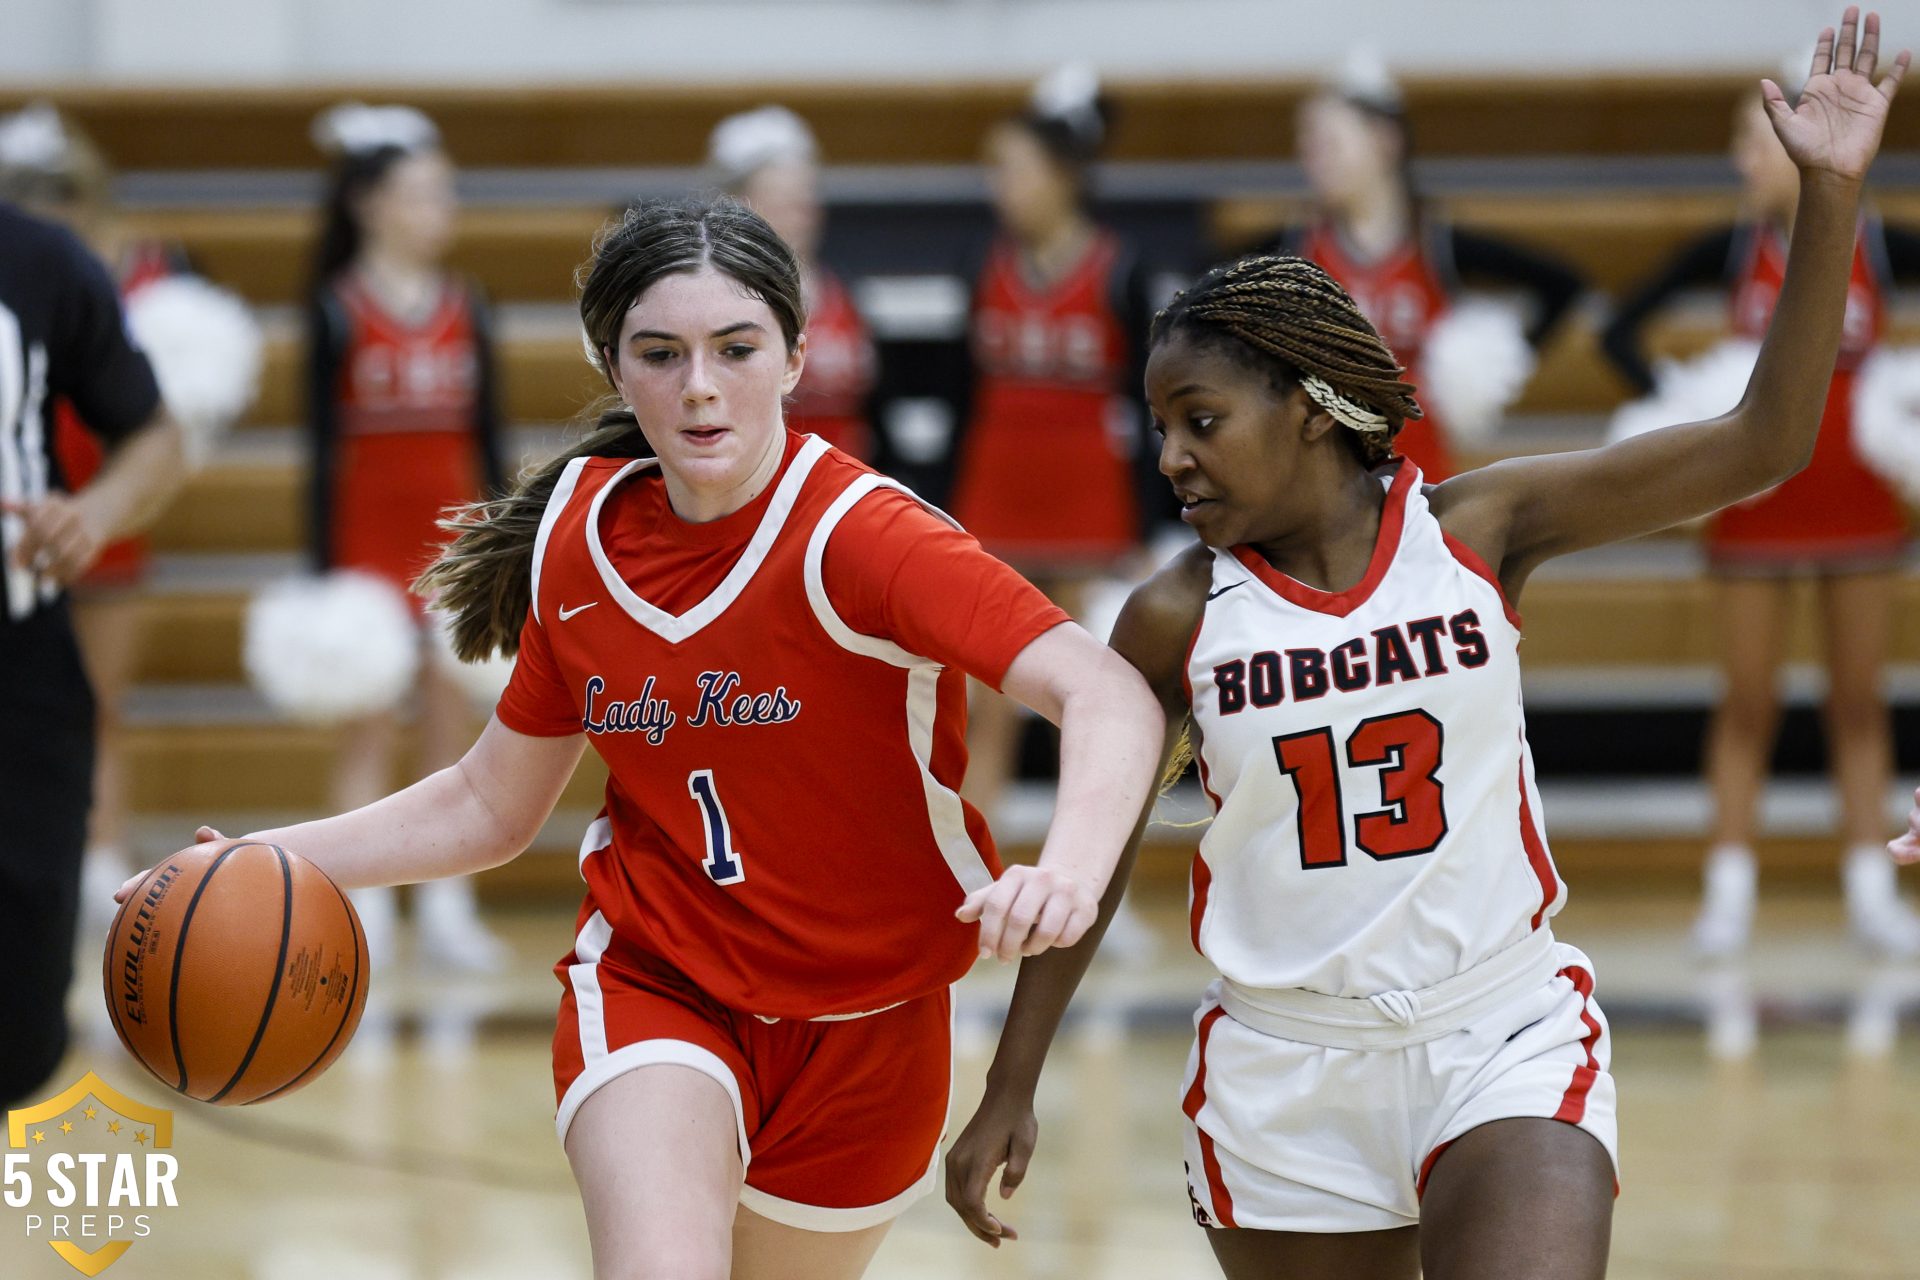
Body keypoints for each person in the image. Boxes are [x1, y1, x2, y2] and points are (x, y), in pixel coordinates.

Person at [947, 13, 1904, 1278]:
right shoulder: (1178, 612)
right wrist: (1009, 1079)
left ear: (1308, 406)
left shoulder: (1482, 527)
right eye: (1159, 424)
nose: (1169, 456)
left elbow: (1760, 444)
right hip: (1284, 1067)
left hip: (1500, 1028)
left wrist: (1831, 195)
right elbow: (1097, 856)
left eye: (1202, 419)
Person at [122, 195, 1161, 1279]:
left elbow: (1110, 695)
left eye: (736, 348)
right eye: (660, 353)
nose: (699, 385)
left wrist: (1070, 873)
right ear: (613, 367)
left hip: (873, 1019)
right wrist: (267, 859)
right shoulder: (580, 538)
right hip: (658, 978)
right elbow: (490, 801)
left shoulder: (869, 536)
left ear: (799, 355)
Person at [1600, 82, 1920, 958]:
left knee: (1859, 705)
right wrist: (1683, 404)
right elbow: (1616, 331)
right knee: (1747, 704)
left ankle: (1871, 895)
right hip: (1755, 510)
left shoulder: (1882, 244)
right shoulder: (1731, 247)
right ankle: (1729, 896)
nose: (1745, 158)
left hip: (1858, 505)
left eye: (1757, 141)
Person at [306, 103, 509, 971]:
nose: (441, 210)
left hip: (450, 552)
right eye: (423, 194)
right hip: (362, 552)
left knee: (449, 731)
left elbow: (492, 447)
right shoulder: (335, 309)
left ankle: (447, 905)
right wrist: (320, 578)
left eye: (446, 194)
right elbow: (321, 454)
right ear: (370, 204)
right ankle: (360, 908)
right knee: (365, 734)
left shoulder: (471, 305)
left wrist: (503, 557)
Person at [1, 194, 187, 1105]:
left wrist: (94, 514)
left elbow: (154, 435)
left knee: (24, 1024)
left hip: (22, 669)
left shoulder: (40, 260)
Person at [948, 64, 1161, 820]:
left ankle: (1094, 881)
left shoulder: (1121, 271)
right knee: (983, 703)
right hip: (995, 500)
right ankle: (965, 878)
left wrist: (1144, 522)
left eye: (1011, 169)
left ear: (1064, 176)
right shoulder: (982, 264)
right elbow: (960, 397)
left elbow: (1149, 406)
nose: (998, 186)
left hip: (1089, 508)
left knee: (1092, 702)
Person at [1267, 51, 1585, 480]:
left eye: (1328, 143)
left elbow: (1564, 284)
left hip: (1421, 484)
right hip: (1323, 485)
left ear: (1384, 140)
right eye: (1306, 146)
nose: (1311, 159)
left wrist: (1501, 362)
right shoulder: (1291, 248)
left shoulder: (1438, 244)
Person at [708, 106, 879, 463]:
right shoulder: (715, 301)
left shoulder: (841, 291)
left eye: (805, 198)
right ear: (738, 204)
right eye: (781, 199)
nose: (802, 213)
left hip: (847, 488)